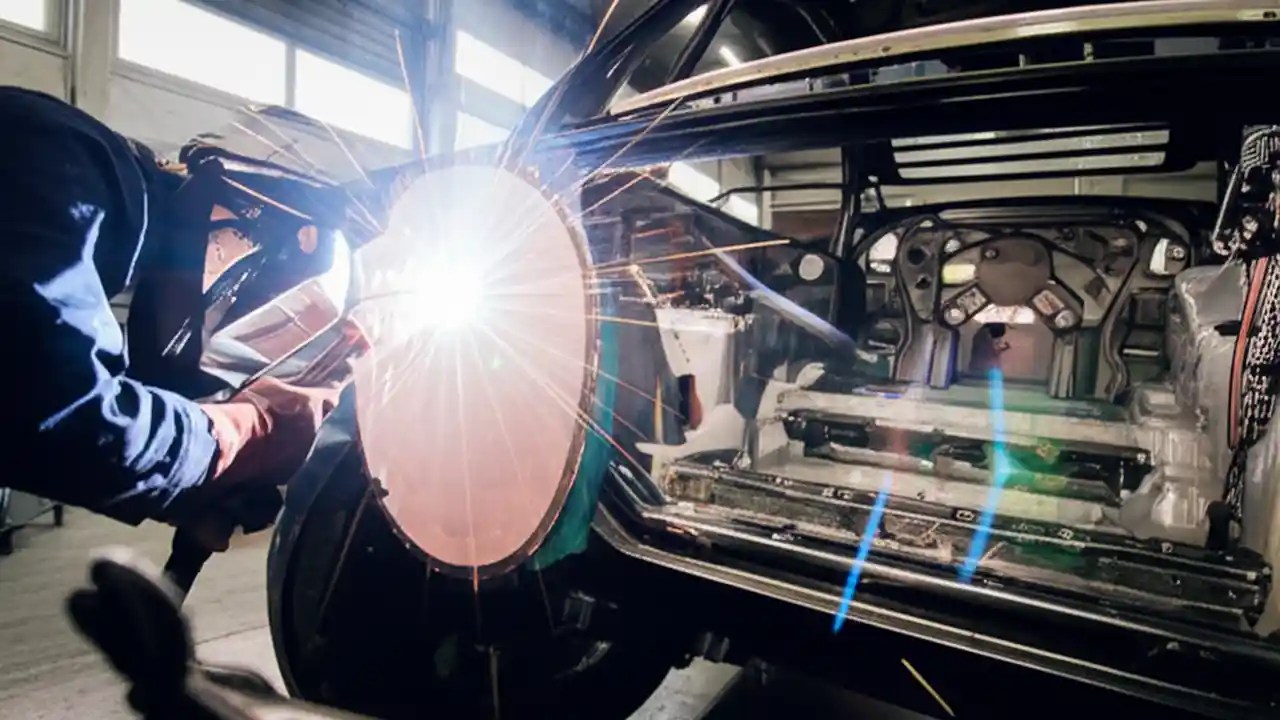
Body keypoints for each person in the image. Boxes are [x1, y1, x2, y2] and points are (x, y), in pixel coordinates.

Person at [0, 86, 336, 546]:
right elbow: (59, 411)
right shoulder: (59, 161)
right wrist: (248, 432)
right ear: (242, 211)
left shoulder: (101, 220)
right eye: (242, 284)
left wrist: (186, 487)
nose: (227, 303)